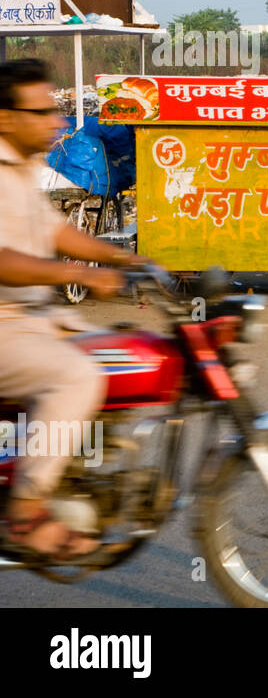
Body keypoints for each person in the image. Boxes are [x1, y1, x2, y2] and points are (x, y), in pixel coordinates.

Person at [0, 58, 144, 562]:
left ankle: (76, 475)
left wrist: (123, 255)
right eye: (41, 113)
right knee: (76, 378)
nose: (56, 123)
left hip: (31, 317)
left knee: (115, 355)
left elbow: (51, 231)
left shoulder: (20, 168)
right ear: (5, 118)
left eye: (55, 111)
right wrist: (79, 273)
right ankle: (27, 508)